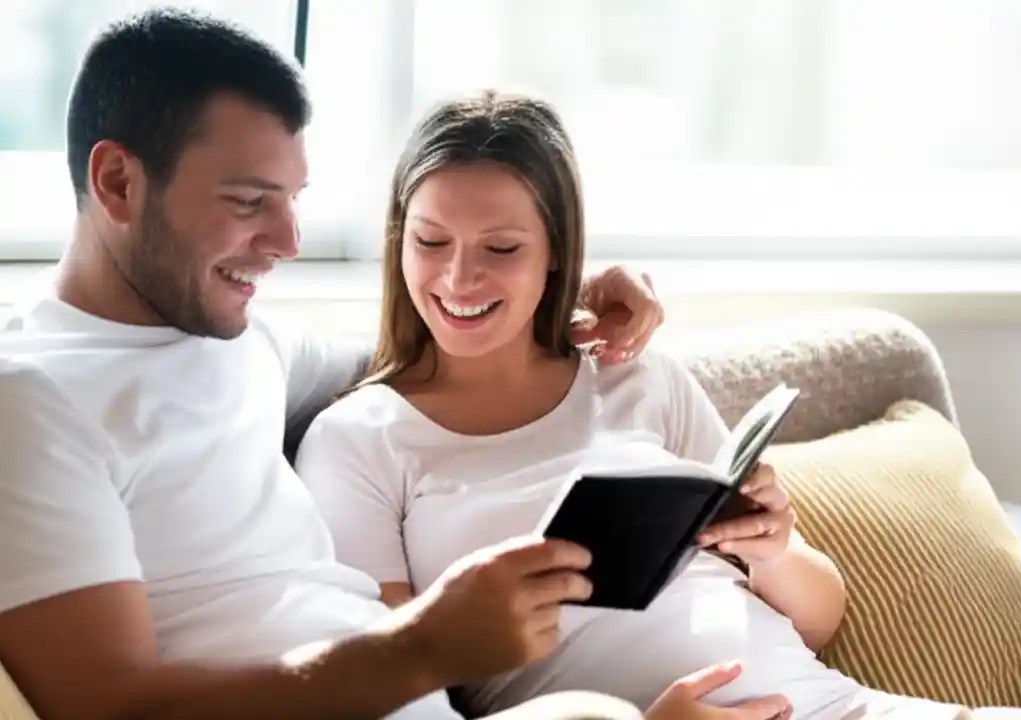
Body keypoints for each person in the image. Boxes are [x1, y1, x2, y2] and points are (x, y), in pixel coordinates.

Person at [0, 9, 781, 720]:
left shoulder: (241, 338)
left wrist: (565, 284)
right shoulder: (29, 398)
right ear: (117, 181)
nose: (287, 242)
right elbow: (103, 705)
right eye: (248, 203)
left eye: (293, 200)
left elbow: (436, 351)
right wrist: (425, 645)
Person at [294, 91, 984, 720]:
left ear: (557, 253)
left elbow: (818, 621)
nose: (457, 277)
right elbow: (394, 693)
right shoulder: (360, 439)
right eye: (430, 241)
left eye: (501, 248)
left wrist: (773, 550)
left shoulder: (638, 377)